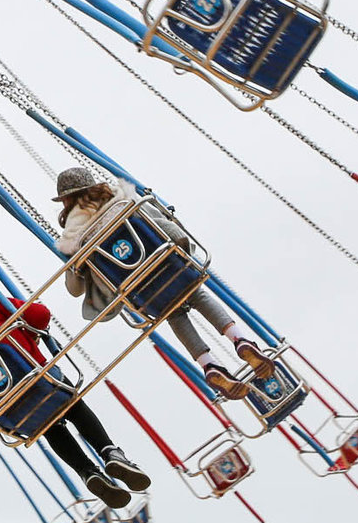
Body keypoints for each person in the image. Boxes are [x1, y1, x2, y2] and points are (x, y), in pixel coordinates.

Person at [0, 267, 151, 509]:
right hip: (38, 381)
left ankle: (87, 472)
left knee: (48, 426)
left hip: (5, 408)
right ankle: (110, 452)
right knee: (73, 407)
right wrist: (26, 330)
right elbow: (40, 315)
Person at [53, 165, 276, 397]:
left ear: (65, 200)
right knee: (196, 294)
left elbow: (75, 289)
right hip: (168, 267)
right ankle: (239, 340)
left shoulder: (73, 235)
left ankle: (208, 364)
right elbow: (161, 222)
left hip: (141, 291)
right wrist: (183, 246)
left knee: (173, 313)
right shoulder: (122, 200)